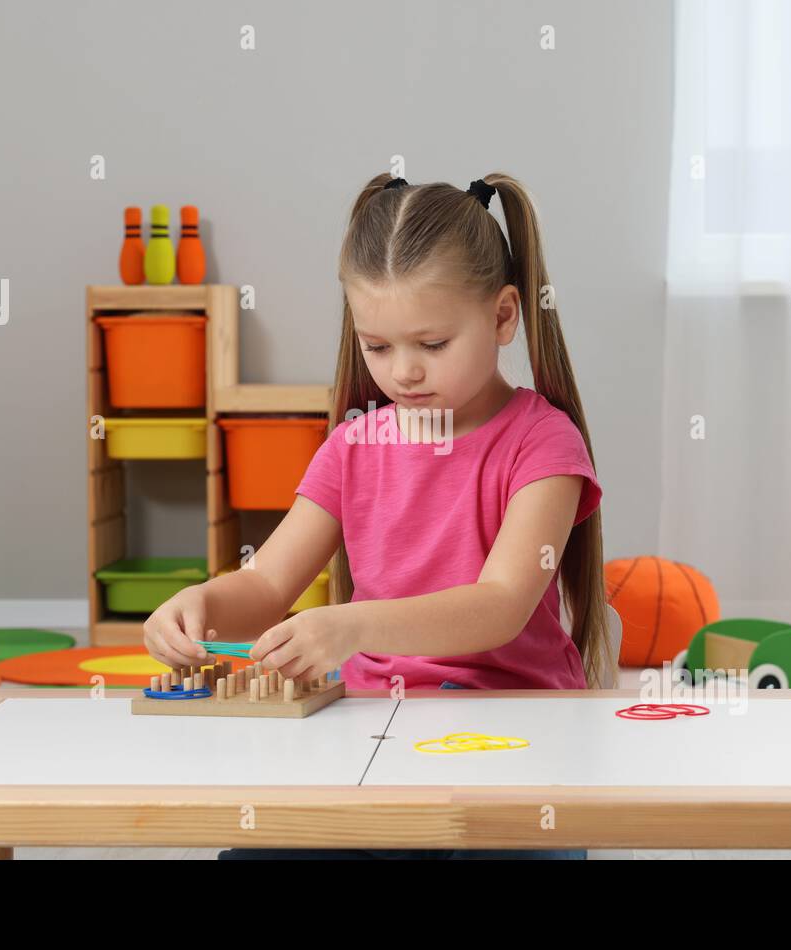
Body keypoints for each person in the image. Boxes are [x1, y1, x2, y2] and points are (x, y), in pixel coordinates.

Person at [144, 173, 610, 860]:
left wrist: (354, 623)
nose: (404, 374)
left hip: (517, 727)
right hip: (368, 726)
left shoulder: (544, 443)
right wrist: (198, 604)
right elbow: (267, 586)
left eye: (433, 344)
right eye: (378, 347)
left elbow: (502, 604)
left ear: (504, 316)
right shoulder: (355, 444)